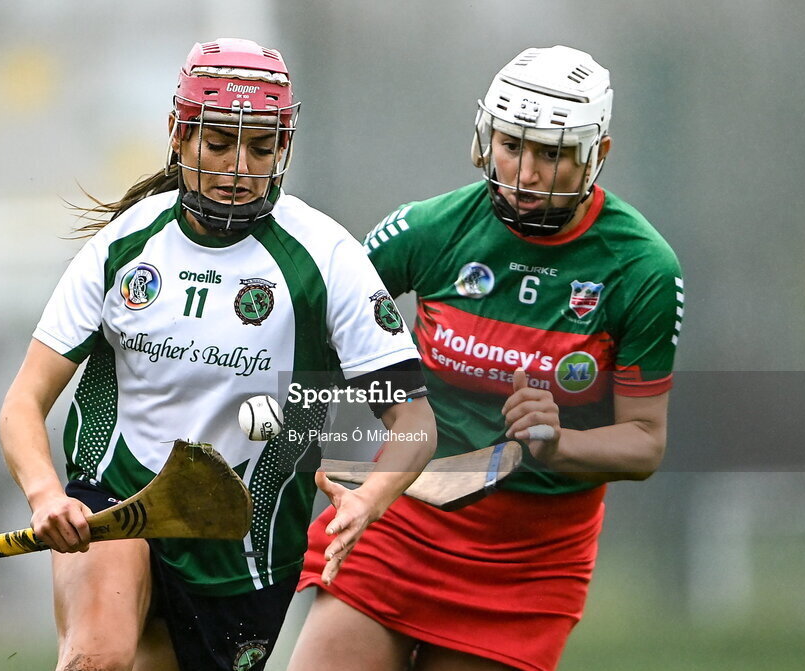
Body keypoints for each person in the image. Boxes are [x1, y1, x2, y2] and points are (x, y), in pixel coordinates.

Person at [0, 37, 436, 671]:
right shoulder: (127, 244)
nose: (239, 167)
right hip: (117, 505)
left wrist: (371, 497)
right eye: (219, 143)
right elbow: (22, 403)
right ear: (179, 137)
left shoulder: (326, 255)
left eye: (260, 148)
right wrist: (46, 496)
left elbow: (414, 424)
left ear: (284, 147)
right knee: (96, 658)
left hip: (244, 550)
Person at [289, 45, 684, 671]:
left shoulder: (642, 269)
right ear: (485, 137)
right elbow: (317, 339)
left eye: (551, 153)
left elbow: (645, 442)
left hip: (527, 562)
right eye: (510, 145)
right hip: (400, 516)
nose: (525, 171)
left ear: (596, 155)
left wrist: (559, 445)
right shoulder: (426, 230)